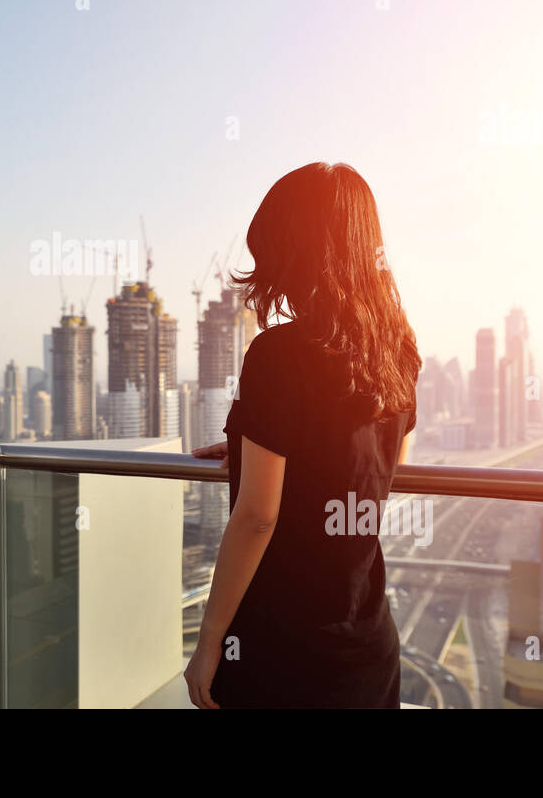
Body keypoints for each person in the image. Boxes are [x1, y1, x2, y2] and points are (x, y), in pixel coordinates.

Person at [184, 162, 420, 708]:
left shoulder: (278, 355)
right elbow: (384, 468)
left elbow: (258, 517)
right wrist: (259, 443)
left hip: (282, 653)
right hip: (367, 647)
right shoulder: (398, 349)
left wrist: (210, 640)